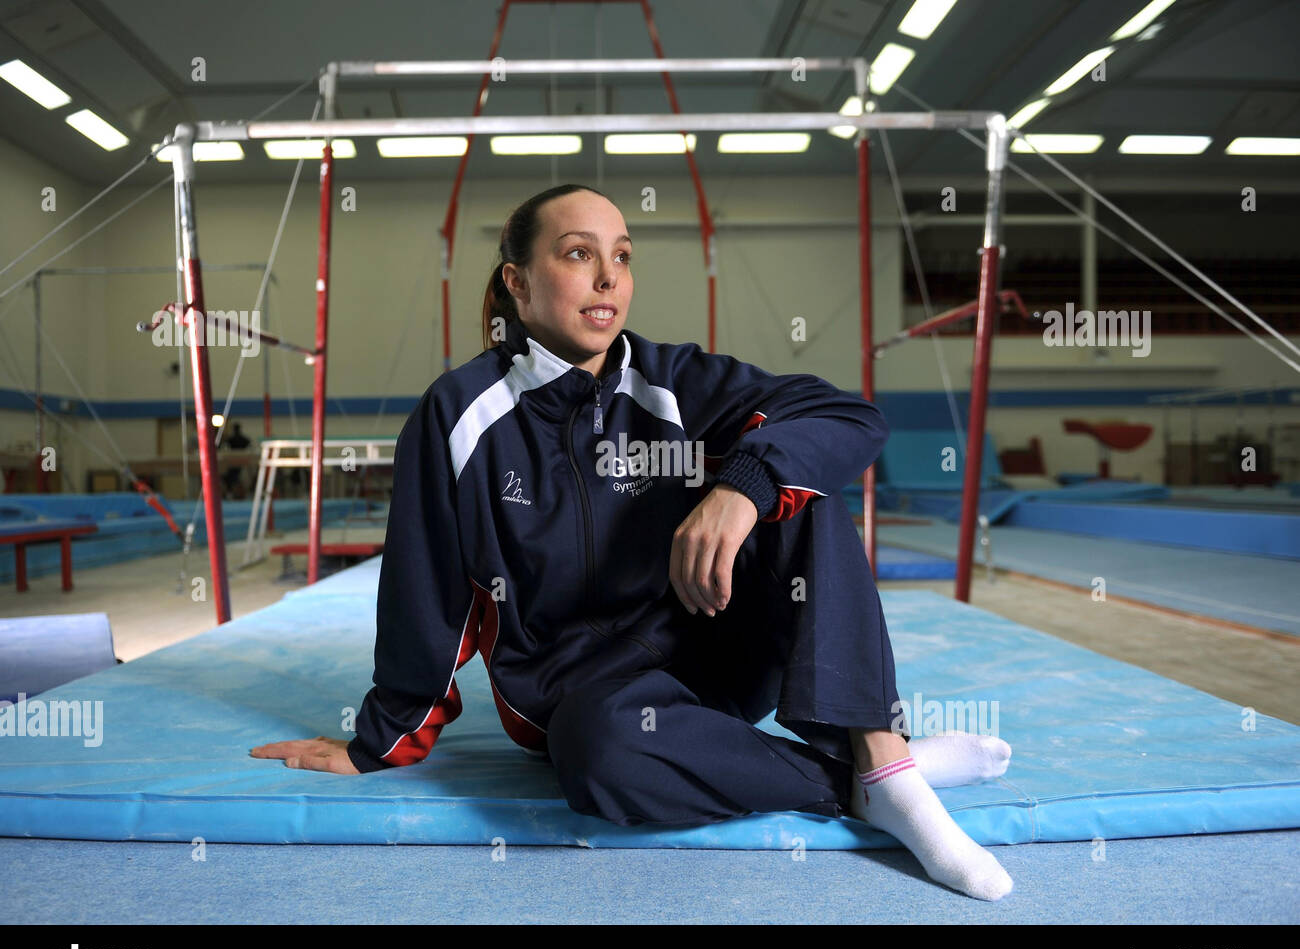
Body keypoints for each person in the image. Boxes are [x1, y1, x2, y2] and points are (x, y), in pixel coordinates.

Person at [252, 184, 1013, 901]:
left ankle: (881, 753)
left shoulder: (674, 379)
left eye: (622, 256)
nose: (607, 278)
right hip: (587, 698)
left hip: (716, 655)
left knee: (798, 489)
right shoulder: (460, 414)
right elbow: (426, 592)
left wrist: (740, 488)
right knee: (600, 758)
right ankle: (869, 784)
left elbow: (850, 418)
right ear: (517, 283)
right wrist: (376, 742)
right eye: (579, 253)